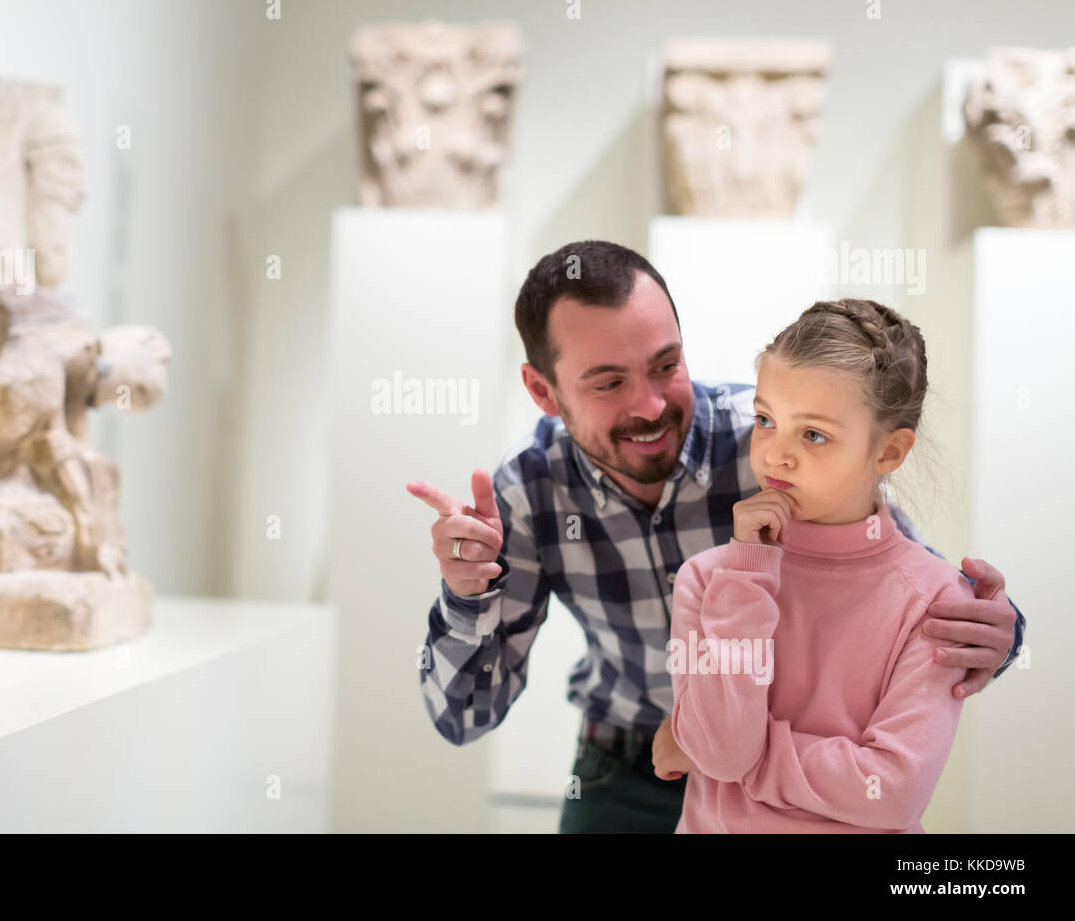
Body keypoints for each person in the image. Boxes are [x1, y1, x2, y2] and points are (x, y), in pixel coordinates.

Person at [407, 240, 1026, 834]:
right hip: (621, 767)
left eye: (665, 365)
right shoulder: (528, 494)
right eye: (608, 383)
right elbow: (462, 719)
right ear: (543, 391)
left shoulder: (770, 438)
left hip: (803, 783)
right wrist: (467, 598)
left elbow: (916, 593)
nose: (650, 405)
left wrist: (1002, 630)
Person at [658, 298, 983, 832]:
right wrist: (747, 576)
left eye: (813, 434)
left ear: (889, 453)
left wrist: (752, 756)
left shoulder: (935, 600)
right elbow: (719, 753)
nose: (775, 455)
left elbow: (892, 793)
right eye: (766, 420)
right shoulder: (709, 578)